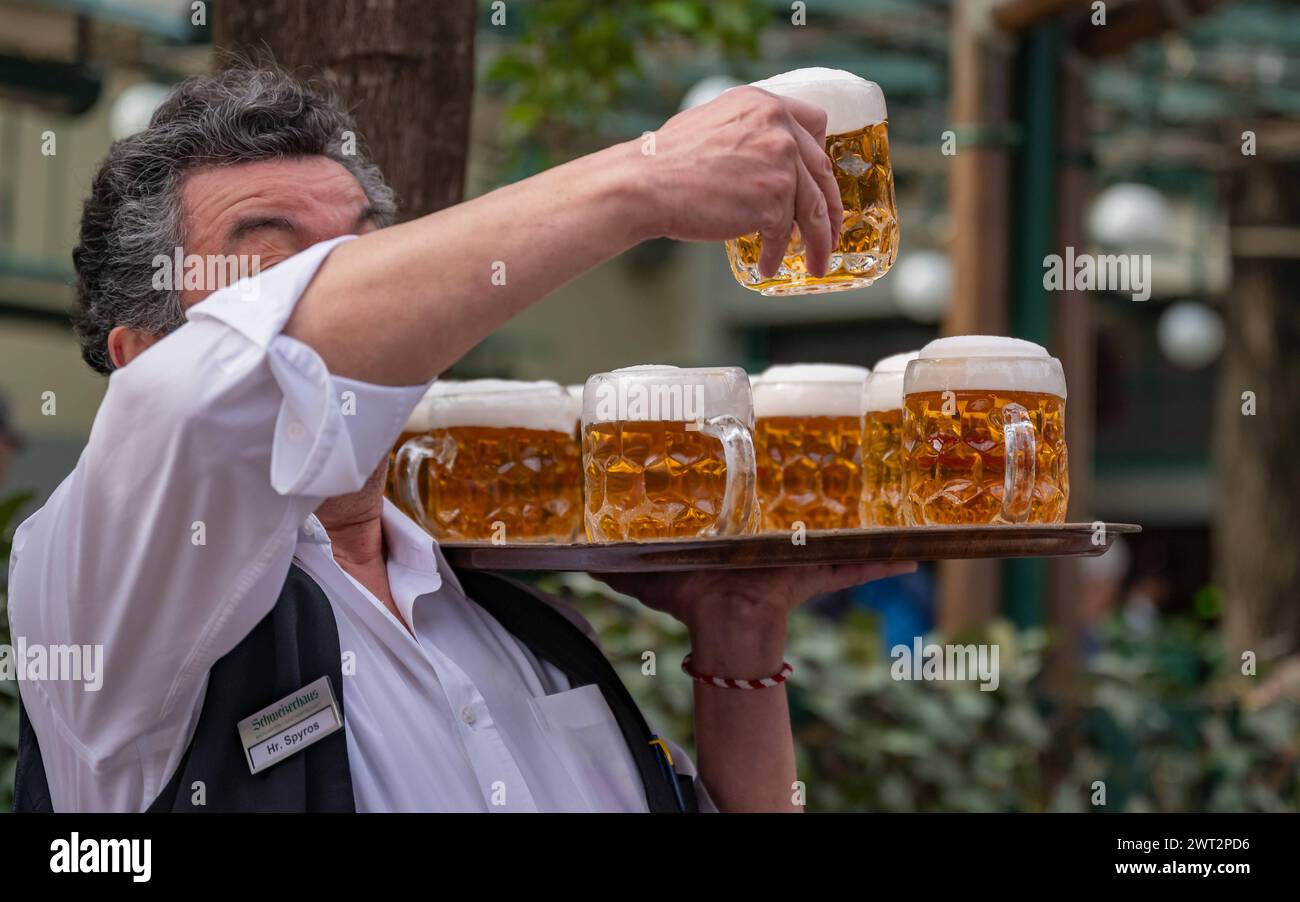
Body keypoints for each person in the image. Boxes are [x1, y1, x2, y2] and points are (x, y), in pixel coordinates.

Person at [7, 64, 912, 813]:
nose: (367, 307)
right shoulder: (99, 584)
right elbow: (199, 402)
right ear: (140, 354)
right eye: (278, 274)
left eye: (368, 254)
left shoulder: (523, 618)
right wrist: (646, 178)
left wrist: (740, 634)